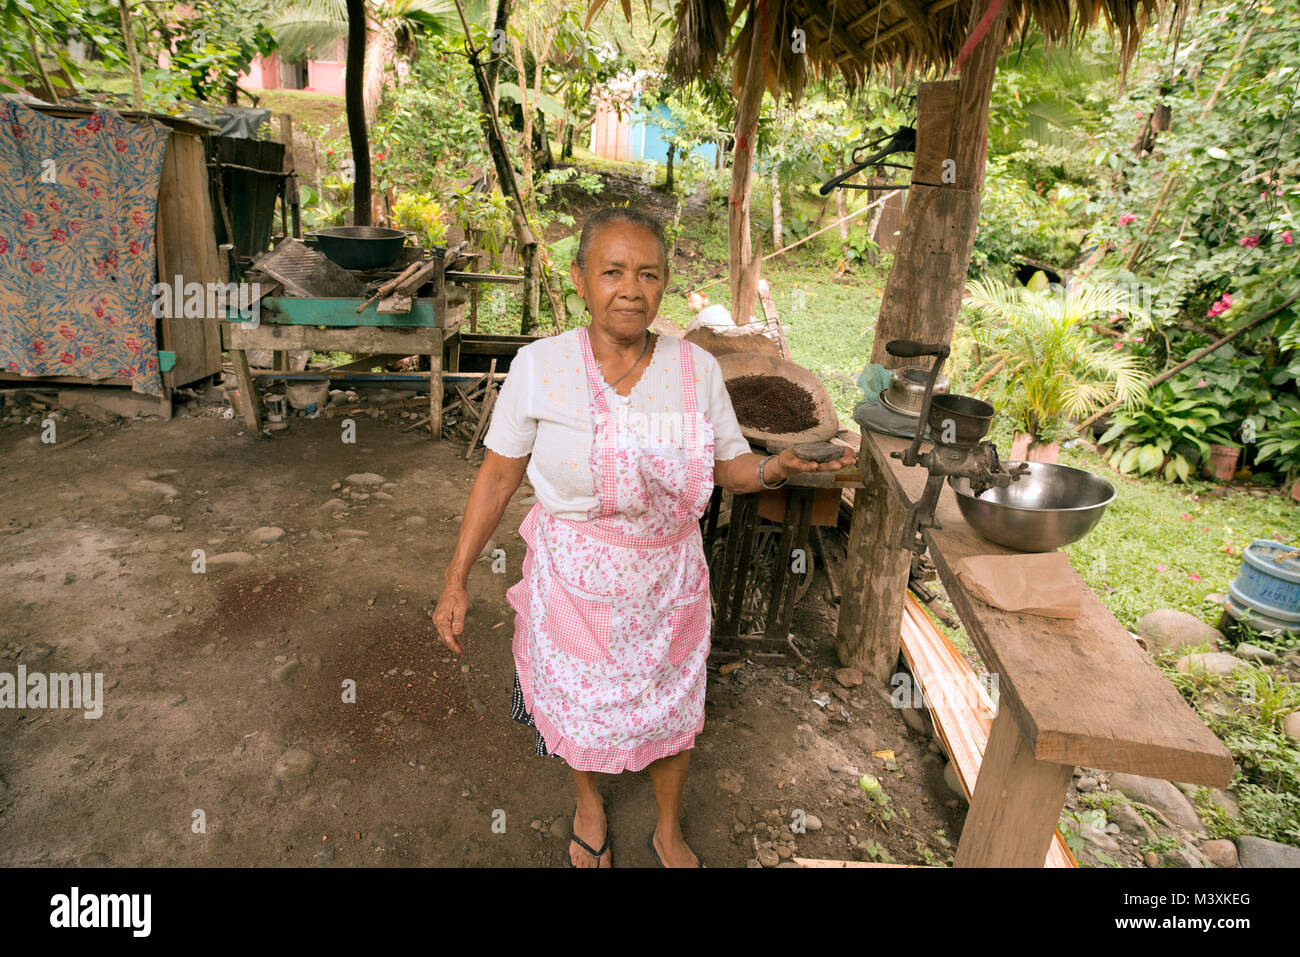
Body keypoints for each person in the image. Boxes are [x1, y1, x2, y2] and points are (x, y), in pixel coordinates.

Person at [432, 207, 855, 868]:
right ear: (580, 279)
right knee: (576, 704)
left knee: (673, 705)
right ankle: (592, 806)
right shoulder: (540, 368)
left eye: (648, 274)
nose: (631, 288)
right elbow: (496, 478)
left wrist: (775, 467)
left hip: (667, 582)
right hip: (573, 582)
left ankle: (666, 825)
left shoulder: (694, 371)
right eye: (612, 271)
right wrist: (455, 579)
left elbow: (727, 465)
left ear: (663, 286)